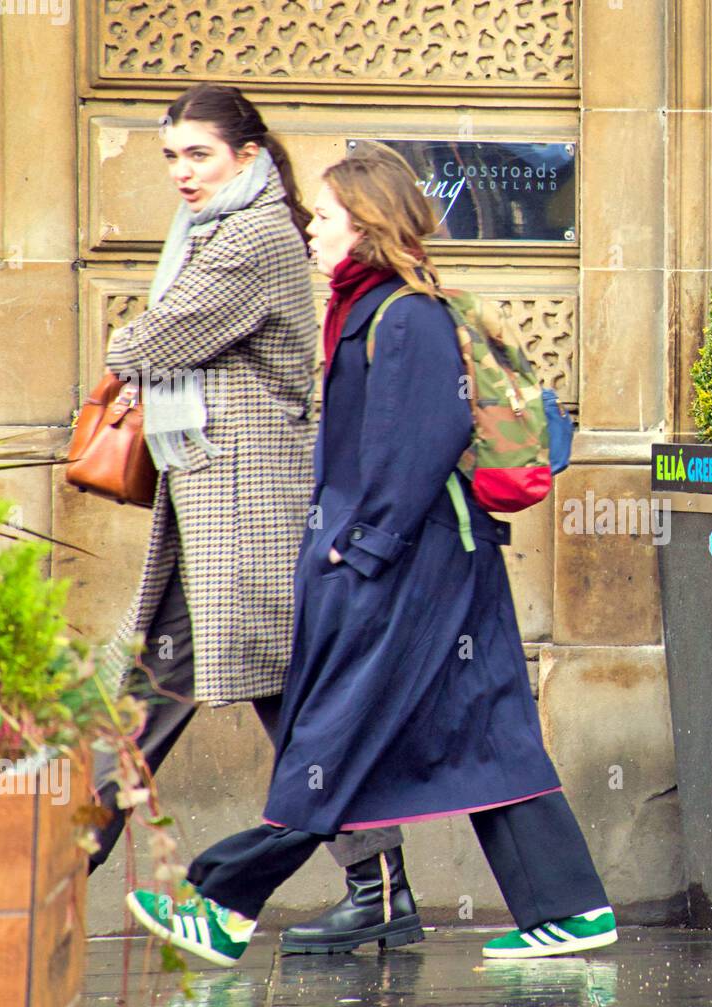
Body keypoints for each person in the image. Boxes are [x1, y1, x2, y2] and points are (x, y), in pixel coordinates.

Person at [125, 144, 616, 967]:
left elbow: (418, 446)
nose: (310, 230)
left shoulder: (406, 314)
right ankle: (570, 908)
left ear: (365, 223)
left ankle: (223, 905)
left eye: (322, 217)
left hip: (407, 571)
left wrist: (356, 556)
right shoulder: (369, 307)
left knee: (332, 736)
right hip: (427, 565)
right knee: (491, 734)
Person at [89, 83, 411, 954]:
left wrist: (125, 344)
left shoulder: (258, 235)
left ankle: (378, 886)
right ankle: (47, 867)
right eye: (170, 157)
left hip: (253, 508)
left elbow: (158, 339)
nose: (181, 174)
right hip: (209, 504)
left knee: (283, 696)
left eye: (198, 154)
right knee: (150, 693)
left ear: (246, 154)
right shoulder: (213, 230)